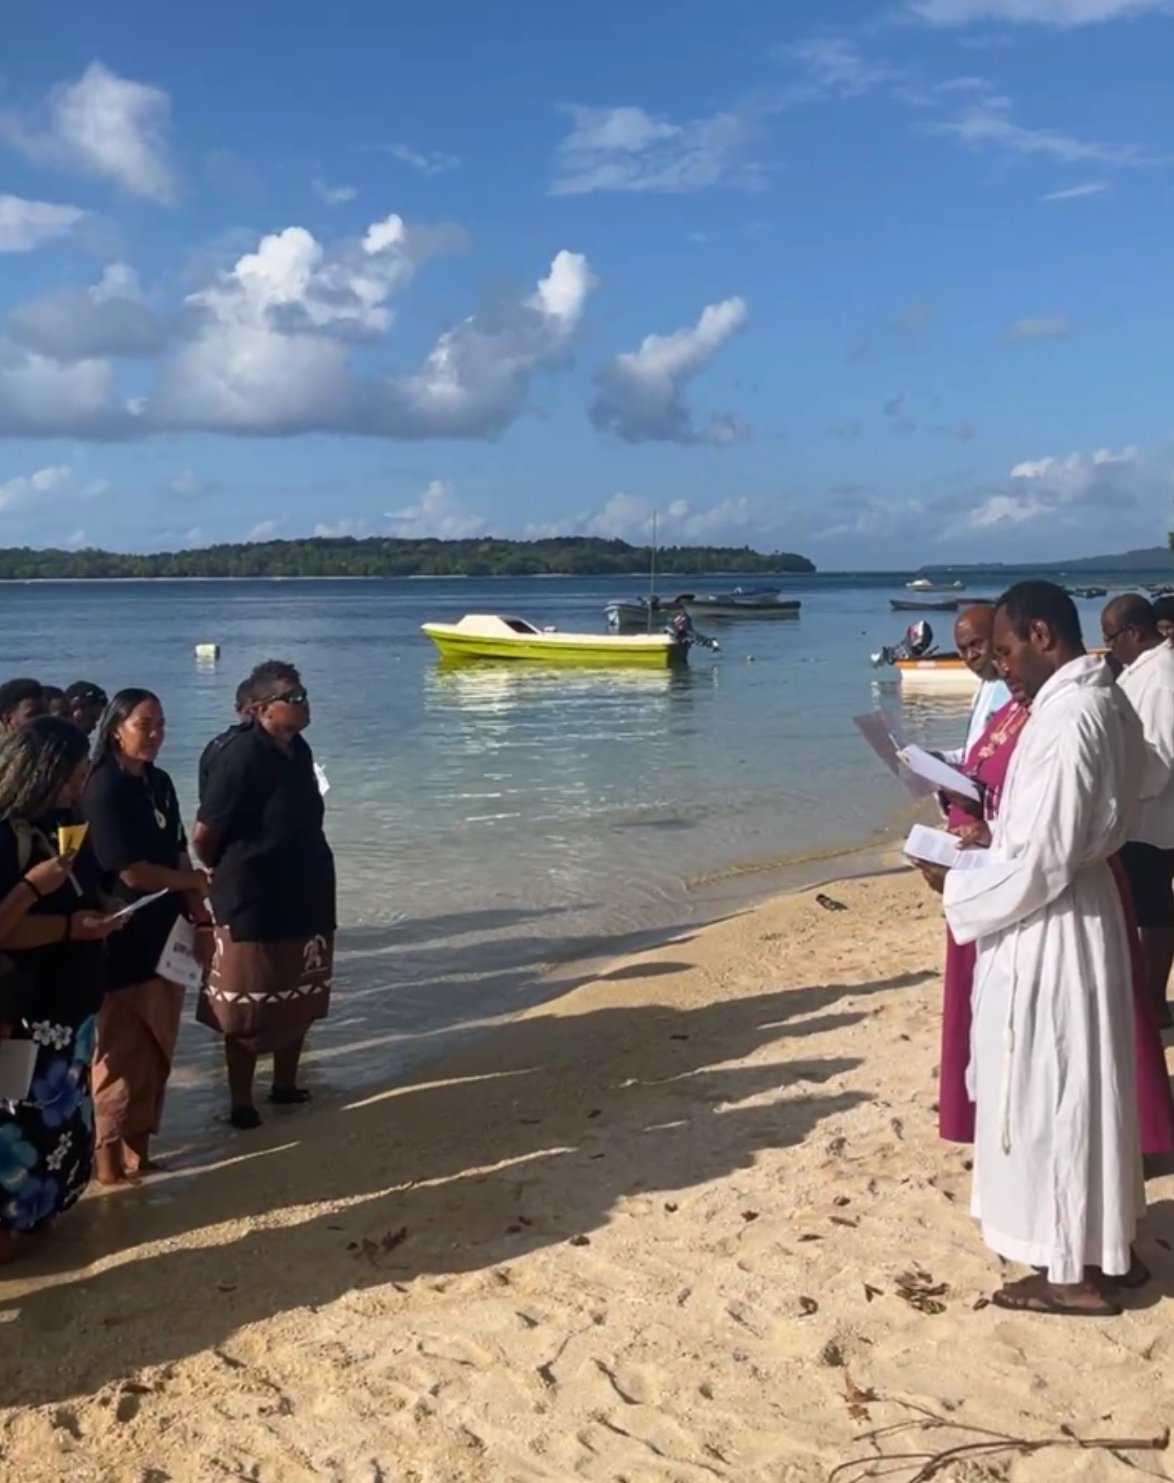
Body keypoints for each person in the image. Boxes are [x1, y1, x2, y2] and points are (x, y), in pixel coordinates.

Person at [931, 582, 1146, 1316]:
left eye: (1008, 649)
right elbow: (1142, 781)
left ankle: (1073, 1274)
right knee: (1086, 1083)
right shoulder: (1100, 699)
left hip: (1054, 921)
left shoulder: (1070, 716)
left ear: (1044, 634)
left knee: (1053, 1087)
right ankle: (1105, 1247)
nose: (1002, 668)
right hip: (1079, 909)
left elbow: (1044, 859)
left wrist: (955, 882)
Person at [0, 718, 124, 1261]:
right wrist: (34, 889)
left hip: (73, 1005)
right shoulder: (5, 835)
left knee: (65, 1125)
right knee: (19, 1126)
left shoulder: (68, 822)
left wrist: (106, 909)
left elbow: (91, 887)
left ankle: (45, 1222)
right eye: (72, 776)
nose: (79, 787)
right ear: (41, 772)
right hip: (24, 1012)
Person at [193, 662, 335, 1130]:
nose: (302, 702)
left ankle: (286, 1085)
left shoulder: (297, 747)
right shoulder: (239, 754)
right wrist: (227, 870)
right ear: (260, 709)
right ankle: (240, 1102)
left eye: (303, 694)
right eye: (290, 697)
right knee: (247, 1004)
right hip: (252, 897)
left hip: (307, 890)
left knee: (299, 993)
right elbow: (205, 833)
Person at [82, 690, 212, 1185]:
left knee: (158, 1048)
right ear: (117, 727)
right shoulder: (102, 786)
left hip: (167, 936)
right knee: (118, 1055)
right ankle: (107, 1163)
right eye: (144, 724)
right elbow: (129, 872)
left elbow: (179, 852)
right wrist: (195, 882)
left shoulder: (158, 782)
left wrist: (201, 917)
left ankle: (140, 1151)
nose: (155, 734)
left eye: (161, 724)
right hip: (121, 938)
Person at [1101, 594, 1174, 1029]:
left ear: (1133, 632)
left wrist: (1117, 782)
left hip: (1153, 817)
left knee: (1153, 910)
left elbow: (1163, 760)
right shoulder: (1142, 672)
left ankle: (1153, 1000)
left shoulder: (1163, 678)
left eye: (1111, 638)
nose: (1109, 648)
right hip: (1138, 813)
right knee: (1144, 908)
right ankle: (1145, 996)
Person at [943, 606, 1011, 764]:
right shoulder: (986, 687)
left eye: (977, 644)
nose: (970, 656)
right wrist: (935, 758)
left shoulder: (1020, 691)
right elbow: (973, 753)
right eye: (963, 650)